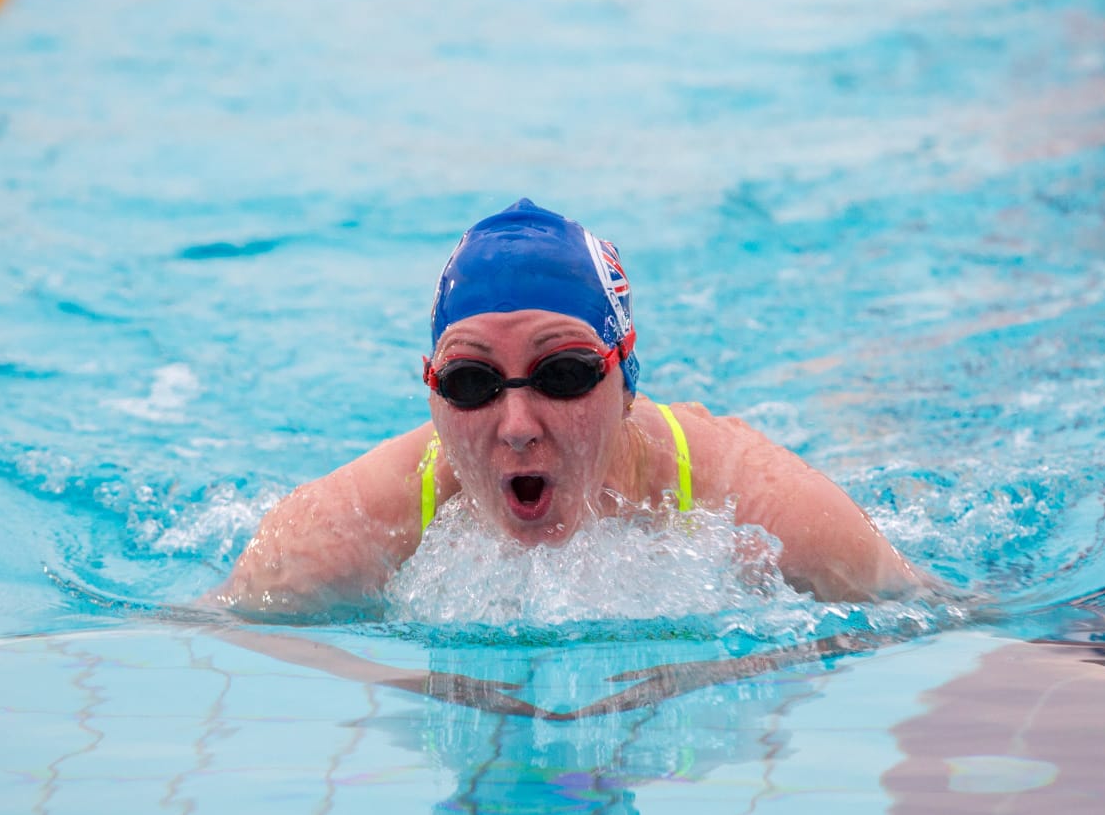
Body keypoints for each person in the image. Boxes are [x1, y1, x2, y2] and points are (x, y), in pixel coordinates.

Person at [214, 199, 927, 615]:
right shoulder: (342, 531)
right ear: (431, 390)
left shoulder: (768, 514)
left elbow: (940, 618)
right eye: (471, 383)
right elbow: (220, 632)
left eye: (562, 374)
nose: (518, 428)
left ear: (626, 381)